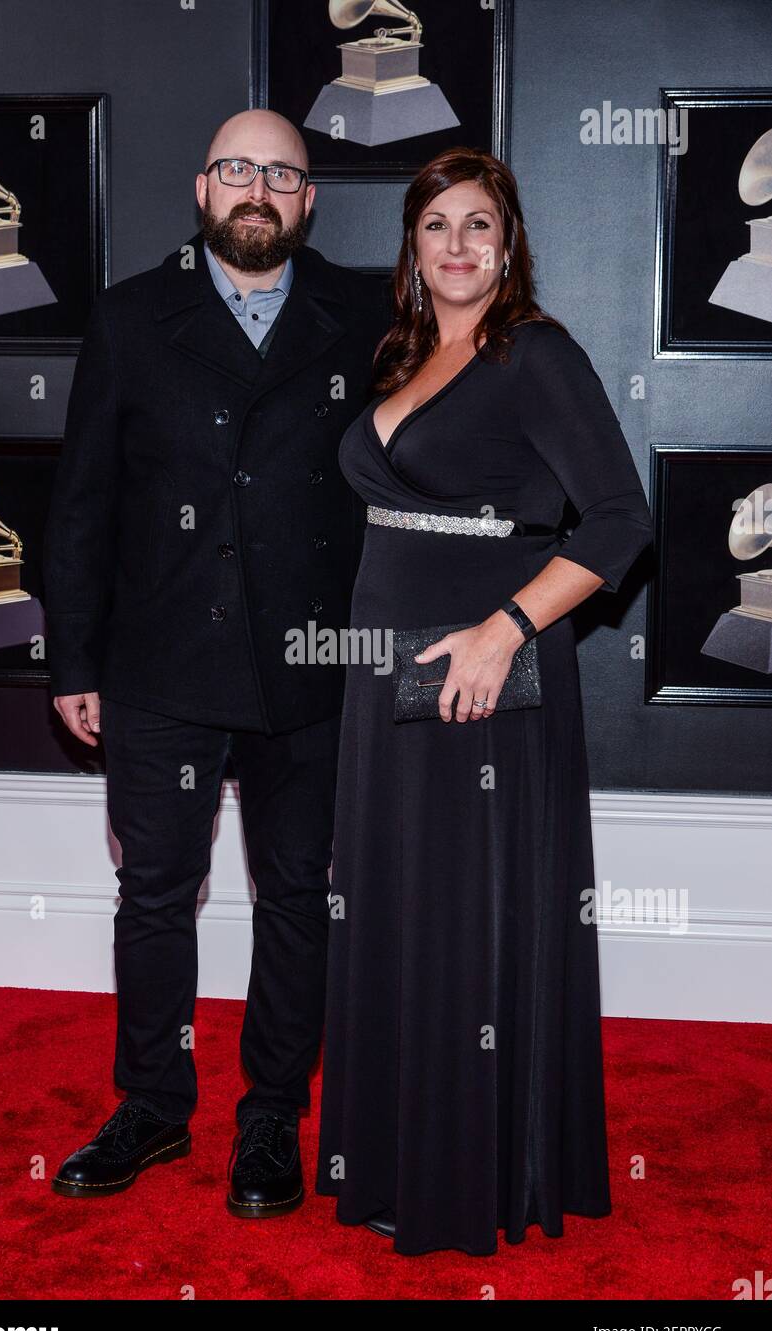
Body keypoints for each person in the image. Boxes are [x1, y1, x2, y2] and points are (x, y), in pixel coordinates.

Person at [43, 109, 386, 1215]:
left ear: (307, 199)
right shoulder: (132, 316)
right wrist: (71, 662)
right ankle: (151, 1106)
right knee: (154, 894)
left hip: (312, 665)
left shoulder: (367, 317)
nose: (258, 189)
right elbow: (84, 502)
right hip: (158, 661)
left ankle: (272, 1114)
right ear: (201, 190)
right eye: (237, 168)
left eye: (280, 173)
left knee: (296, 895)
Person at [314, 147, 655, 1256]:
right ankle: (399, 1155)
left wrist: (506, 631)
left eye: (479, 226)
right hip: (386, 674)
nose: (457, 246)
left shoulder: (532, 354)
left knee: (465, 922)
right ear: (411, 250)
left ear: (507, 247)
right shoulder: (406, 351)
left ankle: (470, 1174)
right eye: (435, 227)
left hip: (478, 680)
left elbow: (617, 519)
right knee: (399, 909)